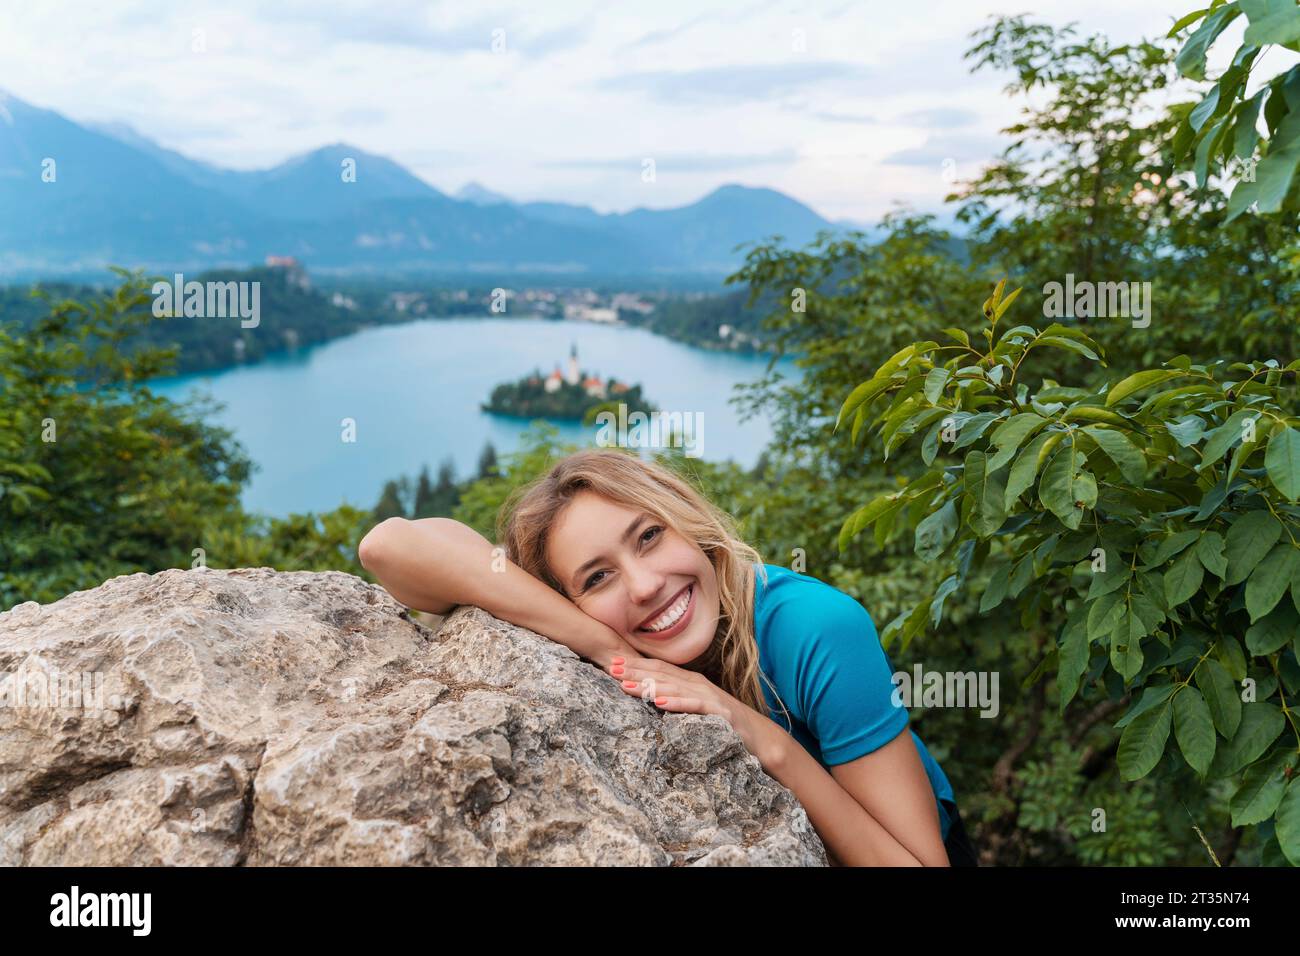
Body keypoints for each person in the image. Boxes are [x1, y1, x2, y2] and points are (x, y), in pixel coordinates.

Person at [358, 447, 977, 867]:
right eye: (597, 577)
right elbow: (389, 547)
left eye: (649, 537)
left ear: (690, 523)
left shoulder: (812, 628)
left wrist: (763, 738)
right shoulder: (602, 629)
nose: (645, 585)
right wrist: (603, 643)